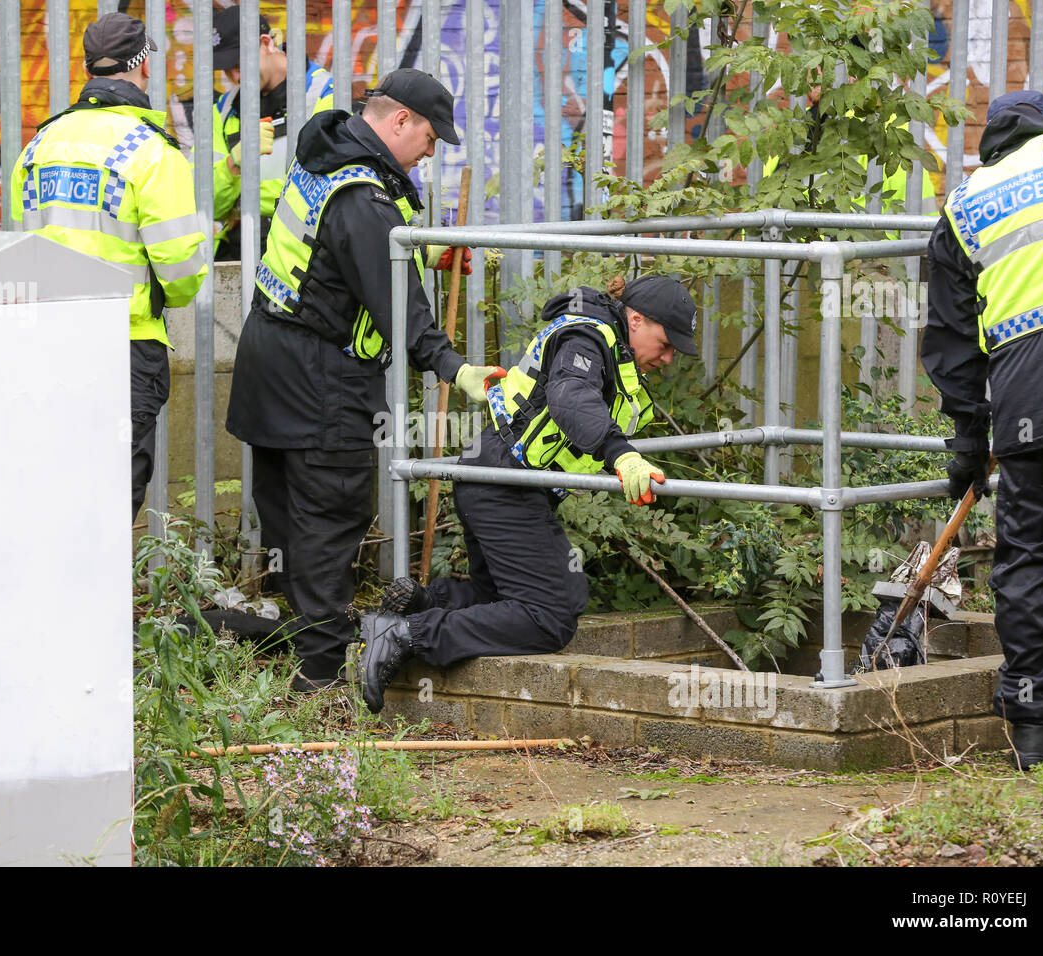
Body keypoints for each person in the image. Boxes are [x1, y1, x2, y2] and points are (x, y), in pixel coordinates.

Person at [225, 68, 496, 693]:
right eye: (430, 137)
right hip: (323, 383)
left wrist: (424, 249)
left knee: (289, 524)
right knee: (329, 522)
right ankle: (318, 684)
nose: (431, 152)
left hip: (270, 366)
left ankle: (298, 658)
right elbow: (393, 299)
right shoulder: (364, 197)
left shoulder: (327, 155)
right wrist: (454, 367)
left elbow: (336, 254)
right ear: (399, 120)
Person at [359, 276, 699, 713]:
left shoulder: (604, 339)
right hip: (505, 484)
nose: (669, 357)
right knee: (550, 618)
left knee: (521, 598)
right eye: (667, 343)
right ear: (636, 319)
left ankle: (426, 602)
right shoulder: (586, 339)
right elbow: (570, 397)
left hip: (498, 480)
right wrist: (622, 455)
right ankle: (407, 634)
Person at [922, 89, 1043, 770]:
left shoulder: (961, 208)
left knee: (1030, 566)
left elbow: (954, 341)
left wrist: (966, 441)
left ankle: (1035, 733)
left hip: (1026, 407)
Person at [10, 12, 207, 522]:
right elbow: (182, 269)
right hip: (125, 342)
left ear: (87, 68)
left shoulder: (39, 145)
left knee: (57, 477)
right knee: (114, 490)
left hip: (48, 341)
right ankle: (98, 599)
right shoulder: (152, 152)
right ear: (143, 65)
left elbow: (25, 230)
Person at [209, 6, 335, 259]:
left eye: (238, 64)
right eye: (226, 69)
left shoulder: (325, 95)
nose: (234, 76)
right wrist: (233, 165)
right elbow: (207, 202)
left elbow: (322, 193)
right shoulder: (223, 111)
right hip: (238, 250)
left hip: (303, 252)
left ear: (265, 43)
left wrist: (241, 198)